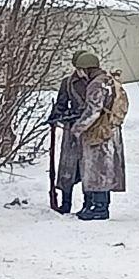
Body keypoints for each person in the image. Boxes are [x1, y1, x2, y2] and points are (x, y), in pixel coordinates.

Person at [68, 52, 127, 221]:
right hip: (111, 129)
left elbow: (93, 111)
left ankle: (99, 207)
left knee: (97, 169)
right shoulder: (109, 81)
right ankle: (100, 205)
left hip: (98, 131)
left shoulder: (96, 85)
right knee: (106, 169)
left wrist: (77, 129)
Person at [47, 52, 90, 214]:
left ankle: (88, 203)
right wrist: (58, 116)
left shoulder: (98, 83)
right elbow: (61, 104)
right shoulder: (68, 83)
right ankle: (66, 203)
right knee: (68, 169)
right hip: (72, 131)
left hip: (90, 131)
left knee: (89, 169)